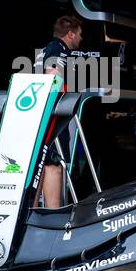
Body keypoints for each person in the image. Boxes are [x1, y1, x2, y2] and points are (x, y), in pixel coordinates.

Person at [34, 15, 86, 208]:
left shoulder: (48, 48)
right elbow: (52, 74)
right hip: (51, 117)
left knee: (40, 163)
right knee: (54, 164)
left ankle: (32, 210)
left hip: (38, 116)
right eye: (79, 34)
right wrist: (59, 99)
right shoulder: (59, 49)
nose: (81, 38)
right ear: (71, 34)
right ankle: (52, 214)